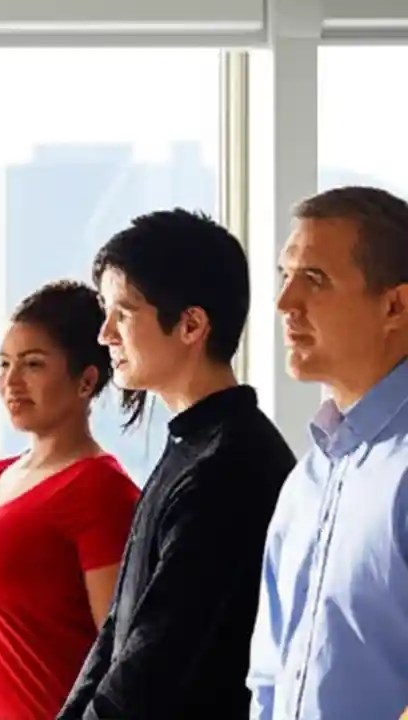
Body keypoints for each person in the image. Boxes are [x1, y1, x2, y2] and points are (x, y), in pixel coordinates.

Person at [57, 209, 296, 719]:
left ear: (191, 324)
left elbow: (153, 665)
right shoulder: (195, 443)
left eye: (123, 313)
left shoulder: (229, 466)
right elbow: (118, 634)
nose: (104, 334)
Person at [0, 280, 139, 720]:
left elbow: (122, 664)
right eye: (4, 364)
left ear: (86, 380)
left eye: (33, 364)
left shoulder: (100, 491)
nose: (11, 382)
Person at [248, 186, 408, 719]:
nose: (283, 303)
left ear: (395, 305)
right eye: (284, 276)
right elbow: (268, 678)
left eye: (314, 280)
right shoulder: (306, 482)